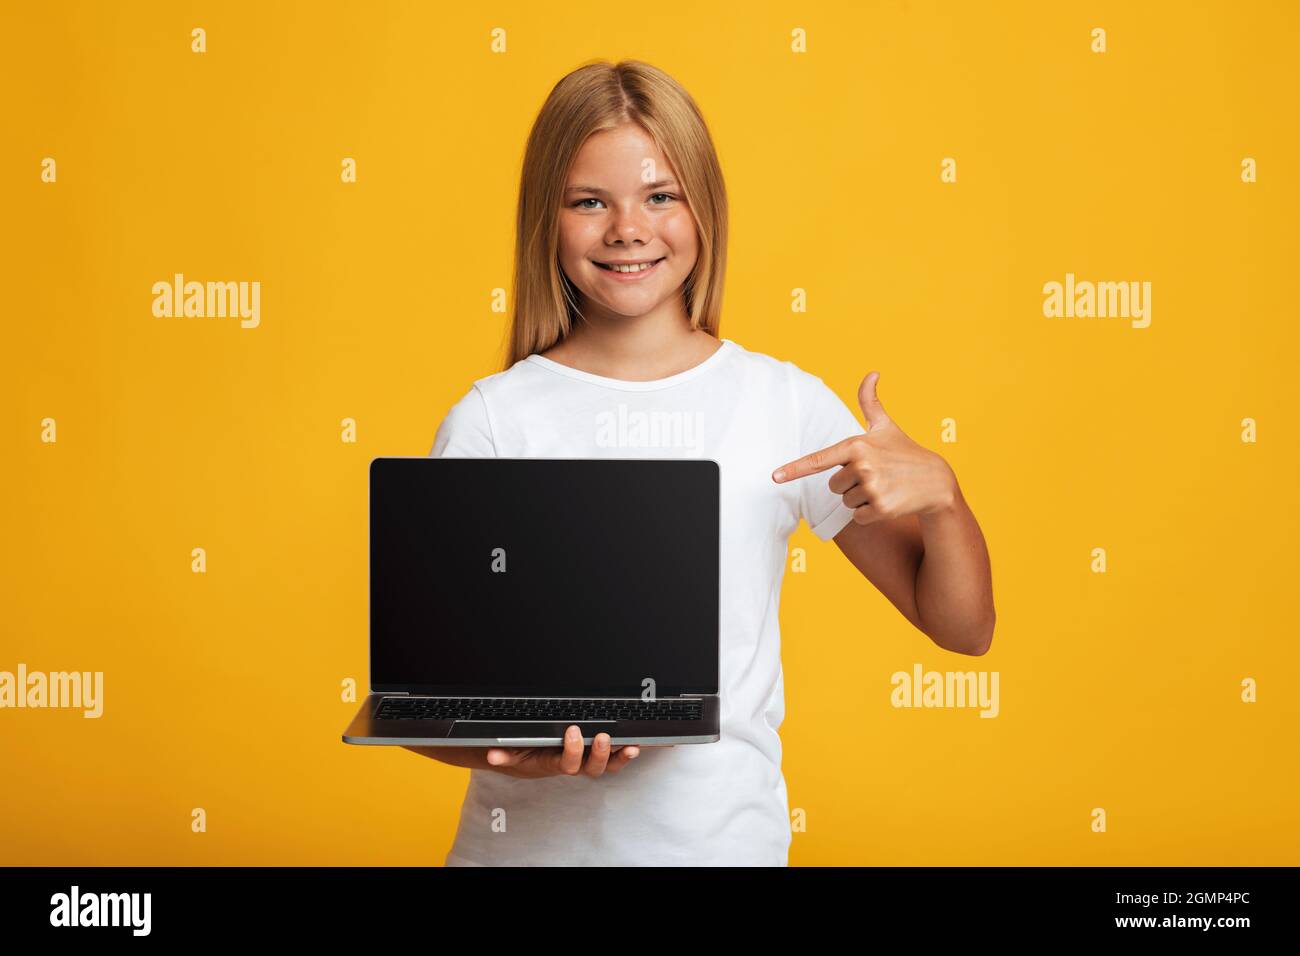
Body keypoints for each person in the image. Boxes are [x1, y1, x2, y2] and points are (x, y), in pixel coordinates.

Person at [404, 59, 995, 866]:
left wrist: (943, 501)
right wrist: (520, 753)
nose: (627, 228)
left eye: (660, 195)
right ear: (548, 217)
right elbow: (427, 710)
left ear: (703, 206)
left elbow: (963, 630)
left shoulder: (780, 404)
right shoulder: (493, 420)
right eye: (589, 202)